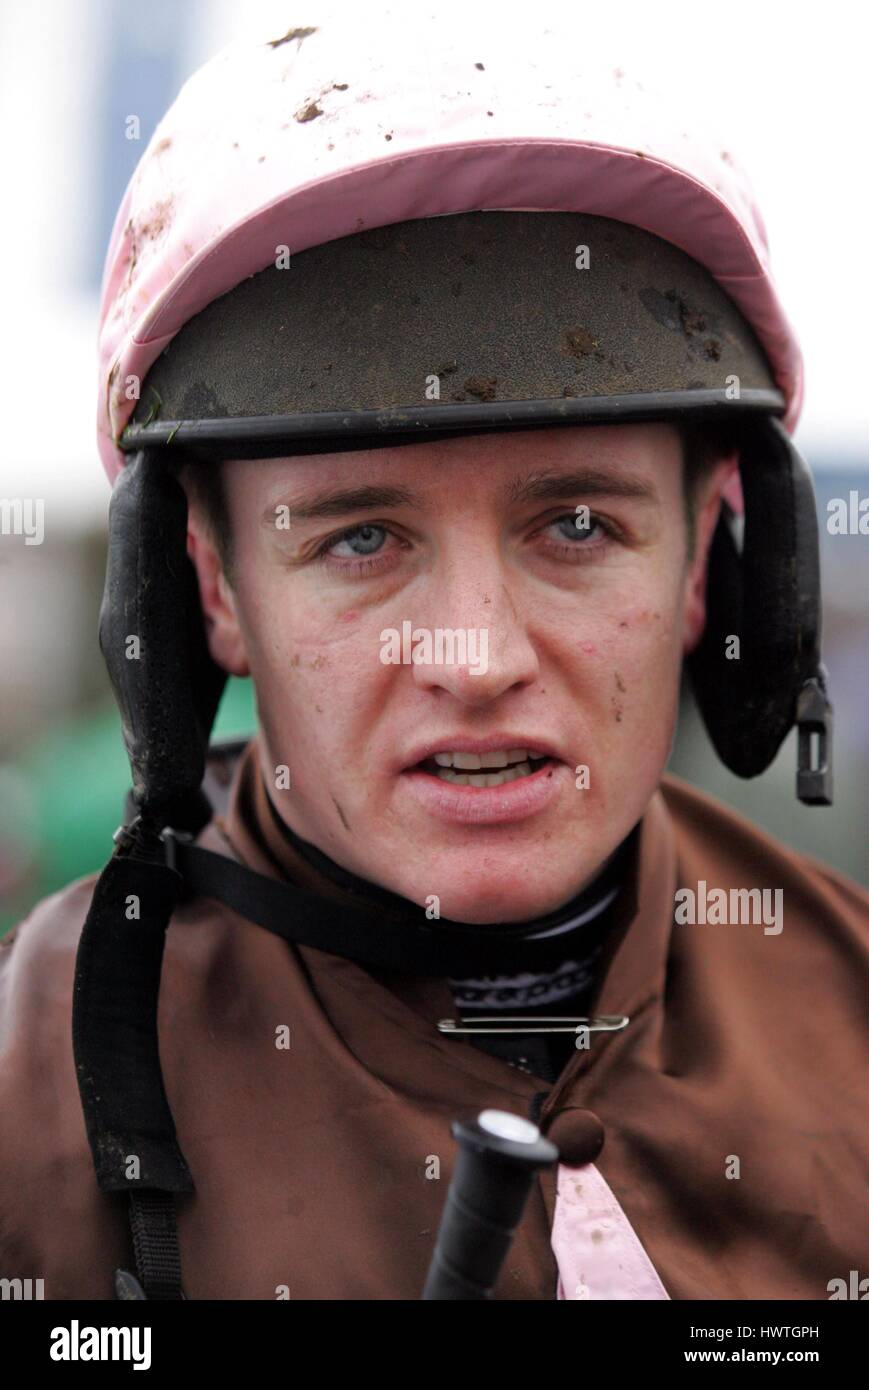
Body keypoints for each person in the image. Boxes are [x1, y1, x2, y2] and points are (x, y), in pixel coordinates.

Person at [1, 18, 866, 1302]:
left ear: (704, 571)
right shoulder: (28, 1108)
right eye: (360, 539)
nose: (473, 656)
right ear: (213, 591)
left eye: (575, 526)